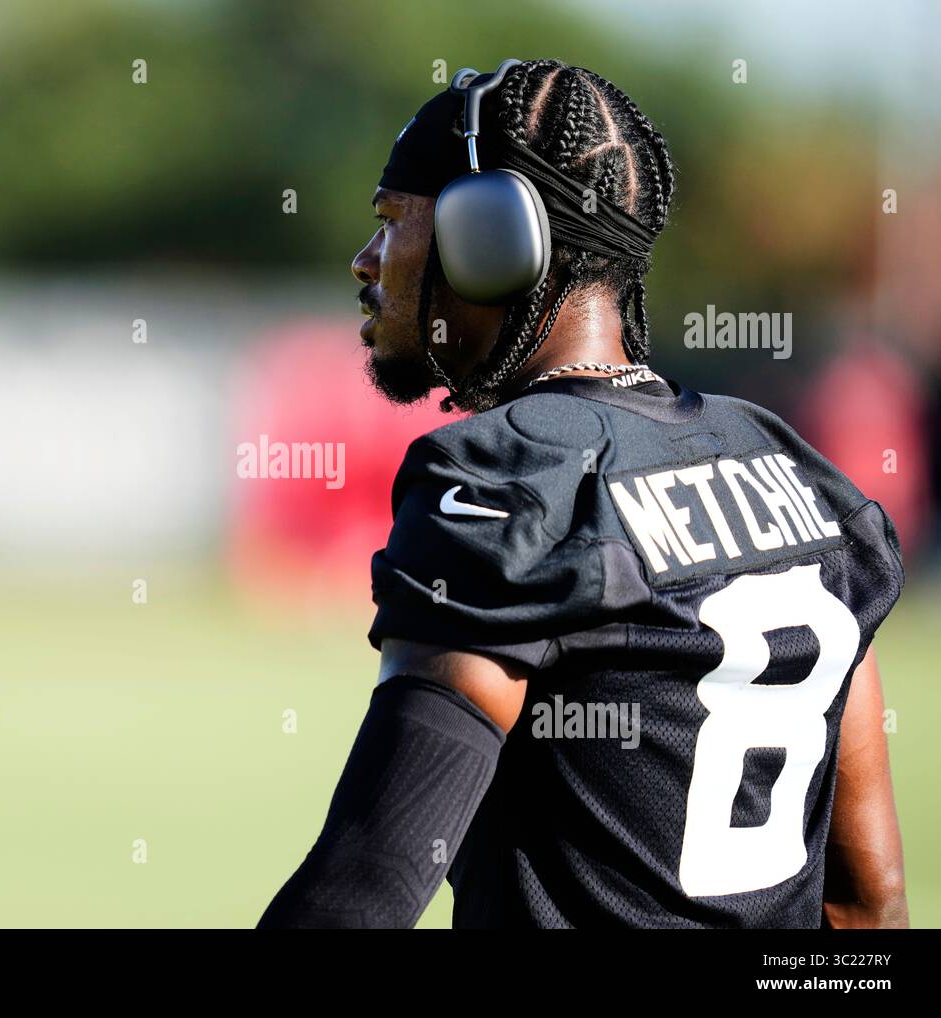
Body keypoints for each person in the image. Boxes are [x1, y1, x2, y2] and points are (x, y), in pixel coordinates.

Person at [257, 58, 908, 928]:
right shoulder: (797, 470)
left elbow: (371, 878)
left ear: (490, 240)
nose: (365, 260)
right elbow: (865, 904)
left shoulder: (510, 478)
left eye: (390, 223)